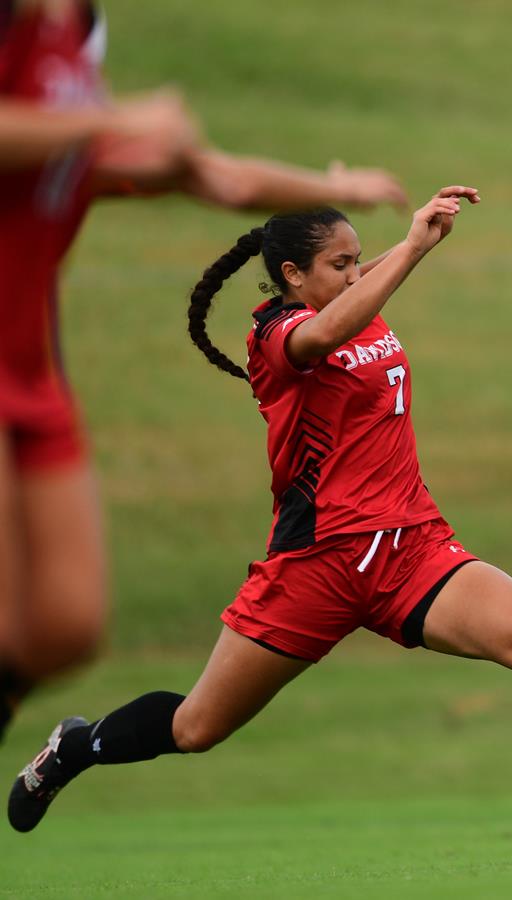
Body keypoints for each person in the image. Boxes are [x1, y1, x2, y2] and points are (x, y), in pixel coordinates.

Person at [8, 189, 512, 834]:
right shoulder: (276, 336)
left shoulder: (357, 304)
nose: (355, 272)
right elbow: (325, 331)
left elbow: (354, 300)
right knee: (197, 726)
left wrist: (406, 246)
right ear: (292, 275)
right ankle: (75, 747)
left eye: (357, 260)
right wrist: (414, 249)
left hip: (412, 551)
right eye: (340, 264)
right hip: (316, 567)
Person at [0, 0, 410, 742]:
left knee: (65, 627)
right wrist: (110, 121)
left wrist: (338, 190)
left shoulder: (67, 35)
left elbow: (214, 178)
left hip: (30, 369)